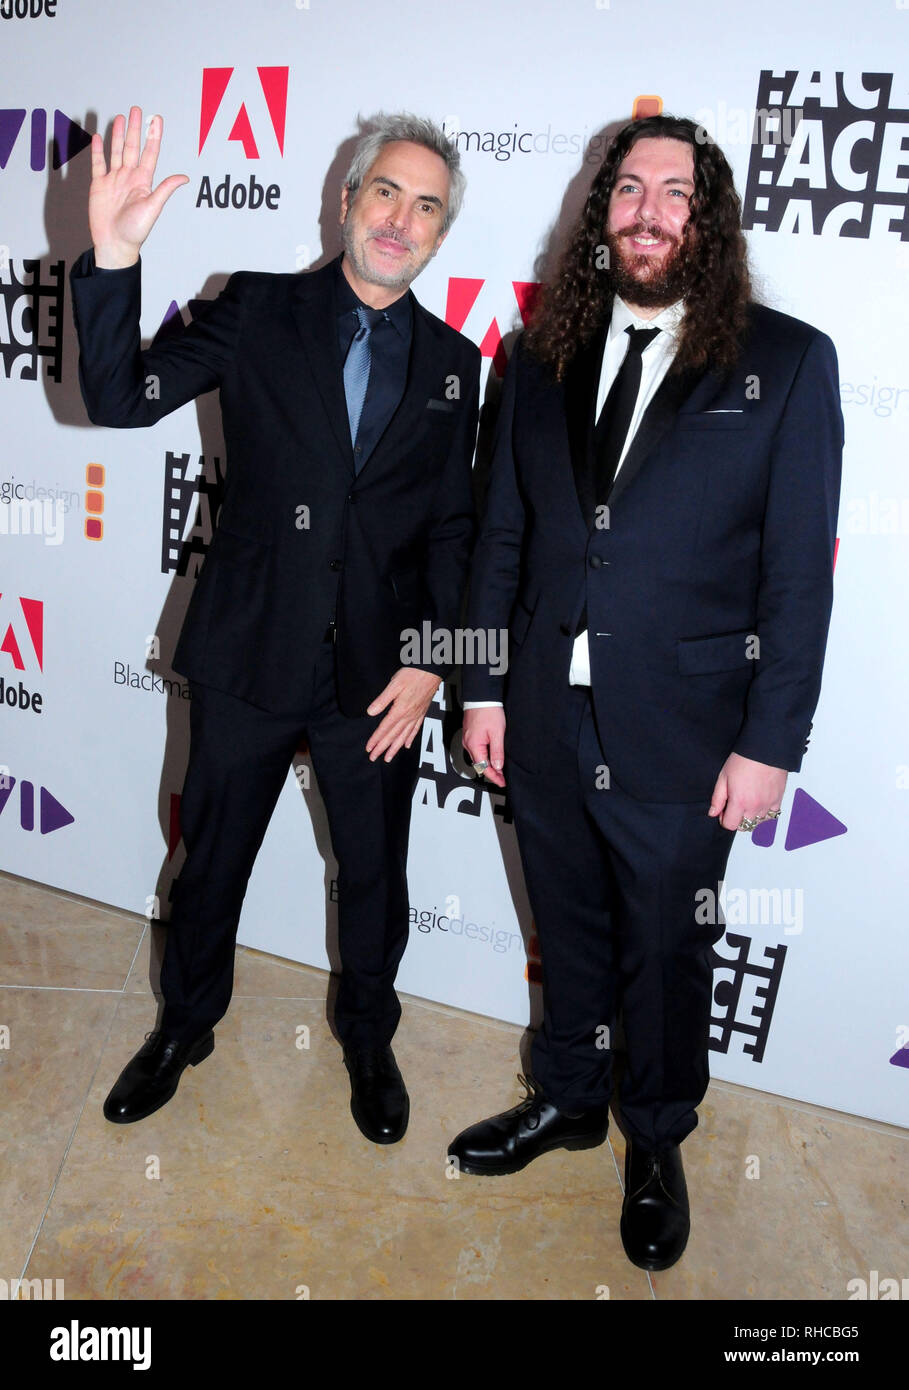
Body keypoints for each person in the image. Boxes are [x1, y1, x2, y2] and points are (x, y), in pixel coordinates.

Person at [451, 114, 843, 1270]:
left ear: (708, 218)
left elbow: (797, 576)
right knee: (564, 921)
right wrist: (482, 686)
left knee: (666, 949)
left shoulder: (786, 359)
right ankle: (569, 1097)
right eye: (628, 188)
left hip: (687, 726)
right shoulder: (537, 356)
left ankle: (656, 1136)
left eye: (677, 190)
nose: (649, 209)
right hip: (542, 709)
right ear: (599, 210)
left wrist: (773, 743)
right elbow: (501, 538)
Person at [71, 106, 480, 1144]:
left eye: (426, 205)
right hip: (250, 650)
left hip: (380, 680)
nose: (400, 217)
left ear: (441, 232)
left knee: (376, 872)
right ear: (346, 201)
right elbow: (121, 400)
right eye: (384, 190)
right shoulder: (255, 309)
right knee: (211, 861)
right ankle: (185, 1026)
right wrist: (114, 256)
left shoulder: (452, 362)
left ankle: (368, 1034)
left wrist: (435, 664)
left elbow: (454, 528)